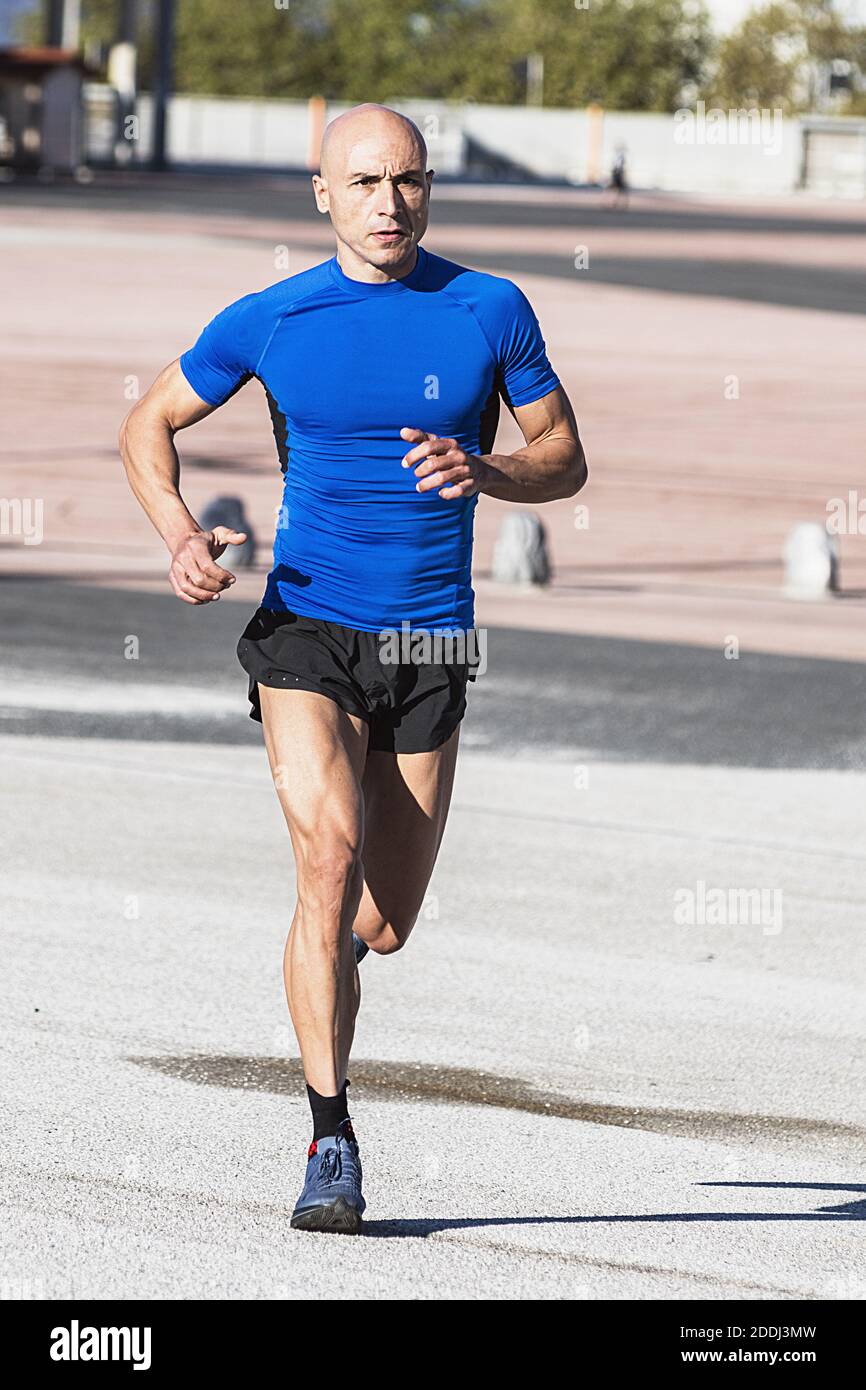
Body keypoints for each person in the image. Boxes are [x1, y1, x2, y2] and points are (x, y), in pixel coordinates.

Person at [119, 103, 587, 1234]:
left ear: (429, 190)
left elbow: (563, 459)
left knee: (379, 923)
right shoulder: (273, 318)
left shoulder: (488, 308)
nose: (390, 203)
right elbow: (148, 425)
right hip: (307, 629)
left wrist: (488, 471)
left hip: (429, 642)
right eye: (367, 183)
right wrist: (180, 536)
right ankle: (330, 1132)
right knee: (324, 863)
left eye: (410, 181)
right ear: (321, 194)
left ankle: (330, 990)